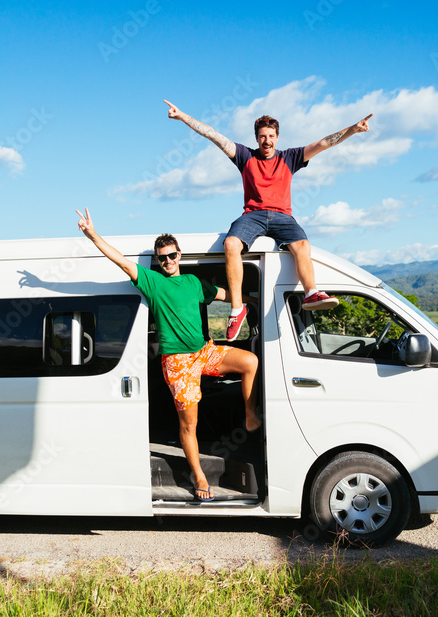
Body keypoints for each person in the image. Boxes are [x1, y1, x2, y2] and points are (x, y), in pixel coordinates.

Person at [76, 208, 260, 502]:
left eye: (172, 255)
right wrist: (93, 235)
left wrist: (254, 299)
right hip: (177, 363)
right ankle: (198, 475)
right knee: (189, 424)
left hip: (204, 351)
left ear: (180, 255)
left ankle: (251, 417)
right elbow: (121, 261)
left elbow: (227, 295)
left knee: (250, 362)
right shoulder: (153, 282)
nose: (168, 261)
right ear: (158, 261)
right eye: (162, 258)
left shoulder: (194, 283)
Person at [164, 99, 373, 340]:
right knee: (231, 244)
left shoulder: (291, 157)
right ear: (257, 138)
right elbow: (214, 136)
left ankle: (312, 293)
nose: (267, 141)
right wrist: (183, 116)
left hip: (283, 217)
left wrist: (353, 130)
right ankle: (236, 308)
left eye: (271, 136)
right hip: (253, 216)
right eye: (263, 136)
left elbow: (324, 143)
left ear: (277, 137)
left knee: (303, 245)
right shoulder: (244, 156)